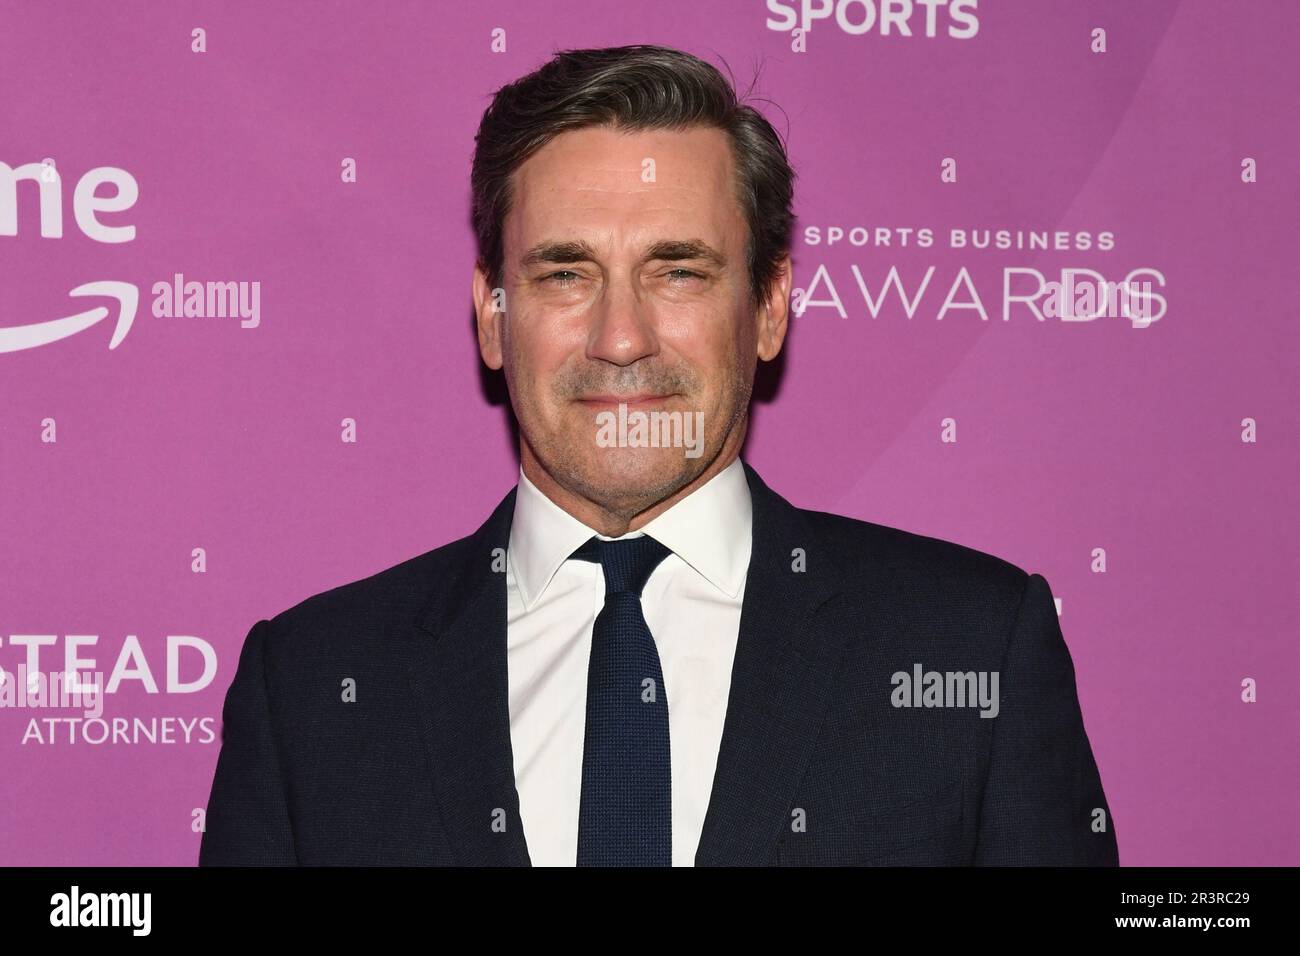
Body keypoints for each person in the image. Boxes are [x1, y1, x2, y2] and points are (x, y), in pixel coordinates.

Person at [199, 44, 1118, 867]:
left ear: (768, 308)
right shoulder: (314, 690)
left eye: (677, 271)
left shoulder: (970, 647)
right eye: (566, 273)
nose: (621, 337)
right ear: (492, 313)